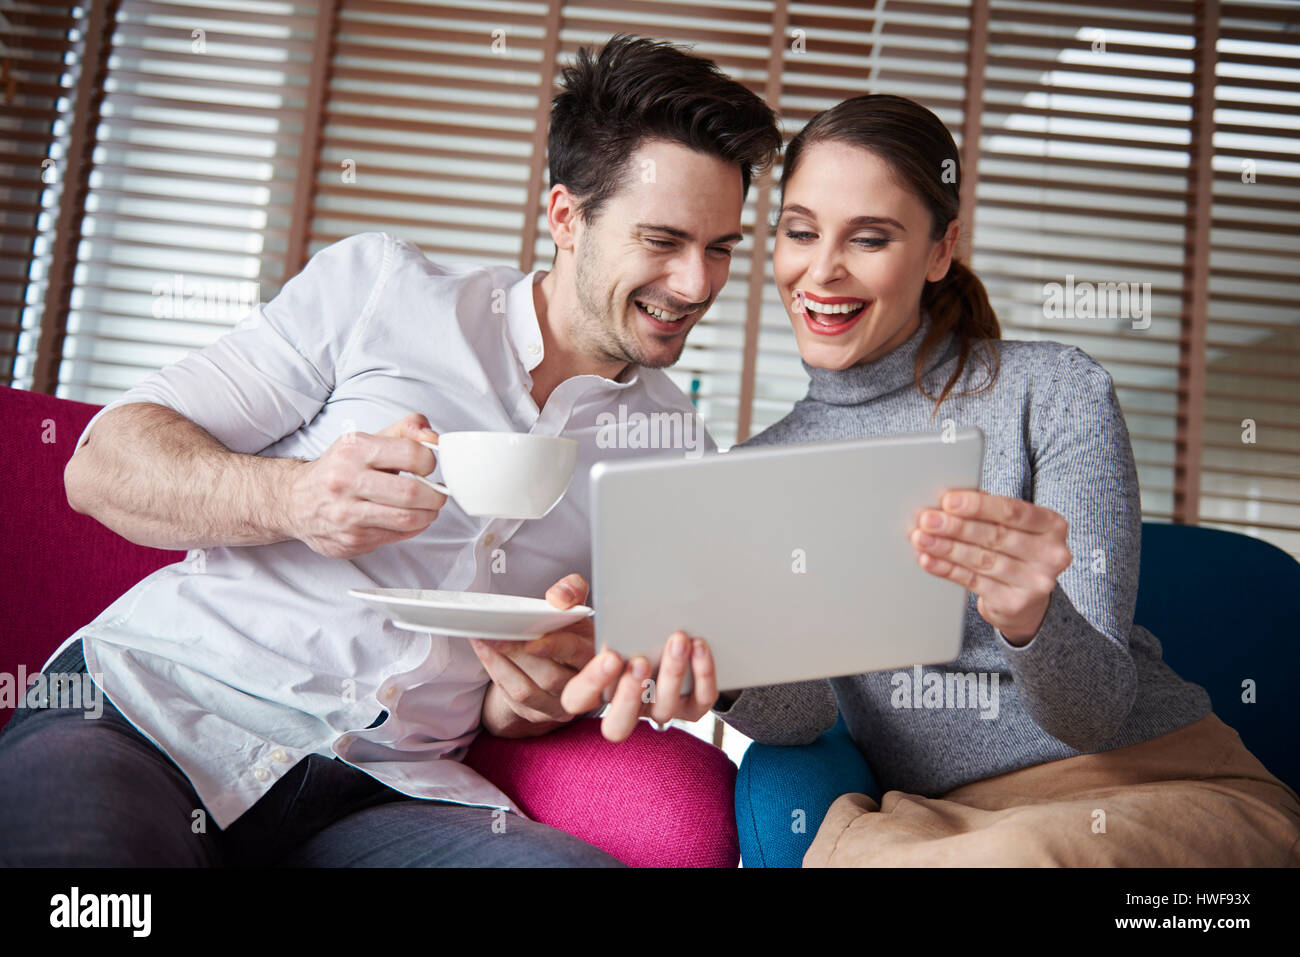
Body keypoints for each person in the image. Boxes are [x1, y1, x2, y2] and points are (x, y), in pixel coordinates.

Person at [0, 34, 781, 867]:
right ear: (566, 216)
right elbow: (101, 463)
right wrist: (296, 499)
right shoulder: (382, 290)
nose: (698, 284)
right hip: (148, 708)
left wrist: (535, 698)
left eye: (722, 247)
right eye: (663, 241)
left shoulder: (675, 451)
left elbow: (573, 686)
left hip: (388, 789)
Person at [556, 93, 1300, 866]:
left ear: (940, 251)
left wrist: (1032, 618)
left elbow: (1097, 714)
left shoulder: (1056, 392)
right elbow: (807, 710)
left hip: (1153, 787)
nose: (822, 270)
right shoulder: (761, 467)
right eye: (800, 232)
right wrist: (729, 666)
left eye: (870, 238)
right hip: (938, 823)